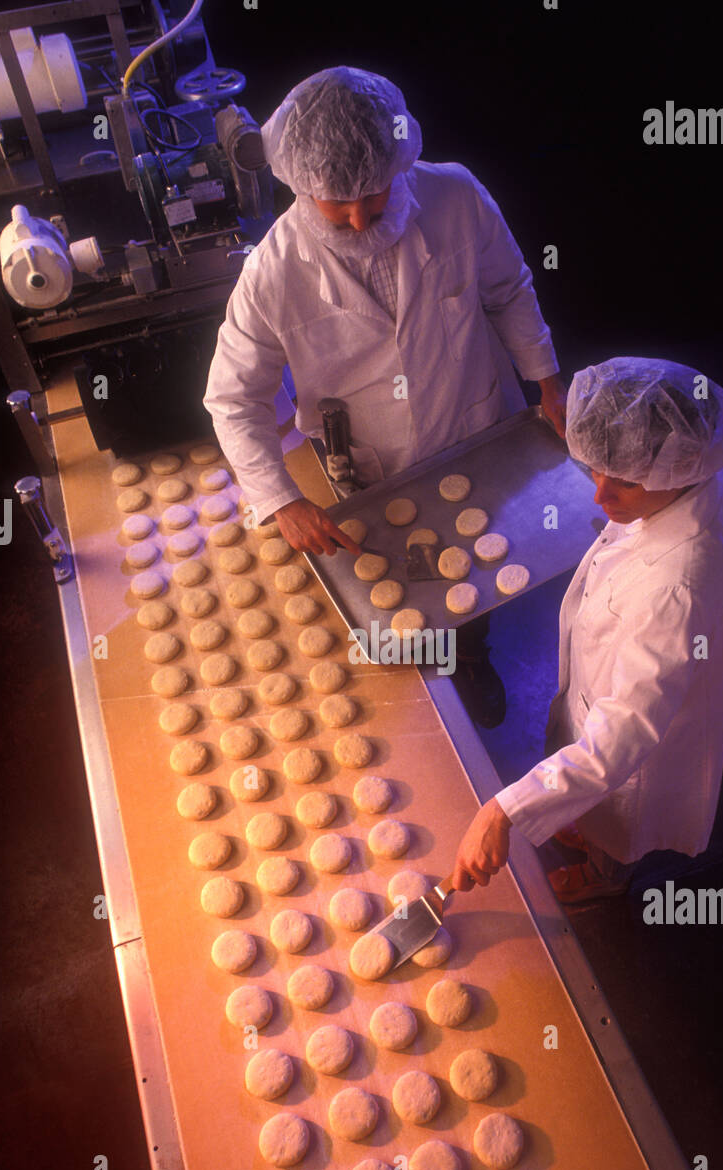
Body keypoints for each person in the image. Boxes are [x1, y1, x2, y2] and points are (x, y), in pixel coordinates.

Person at [203, 66, 566, 725]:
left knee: (479, 566)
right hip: (371, 461)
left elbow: (508, 289)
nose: (357, 214)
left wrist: (547, 382)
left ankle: (472, 654)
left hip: (474, 427)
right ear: (299, 183)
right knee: (407, 574)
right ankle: (433, 677)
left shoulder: (455, 198)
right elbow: (232, 398)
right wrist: (279, 497)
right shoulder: (274, 271)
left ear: (399, 161)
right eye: (334, 202)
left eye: (372, 193)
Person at [451, 357, 723, 903]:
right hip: (649, 663)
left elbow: (623, 732)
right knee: (587, 796)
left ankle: (603, 876)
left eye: (623, 483)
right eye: (596, 470)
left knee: (617, 821)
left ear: (677, 470)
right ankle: (581, 824)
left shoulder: (675, 586)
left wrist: (508, 809)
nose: (599, 496)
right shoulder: (717, 462)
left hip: (638, 733)